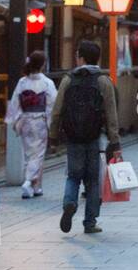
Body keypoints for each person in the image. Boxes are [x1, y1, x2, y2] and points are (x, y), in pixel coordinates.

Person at [50, 39, 120, 235]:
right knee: (93, 180)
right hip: (94, 137)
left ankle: (69, 203)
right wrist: (115, 141)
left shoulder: (68, 79)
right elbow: (111, 113)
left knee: (73, 176)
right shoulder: (103, 81)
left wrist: (53, 136)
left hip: (73, 137)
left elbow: (57, 110)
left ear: (80, 57)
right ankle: (90, 222)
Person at [5, 50, 57, 198]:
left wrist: (14, 120)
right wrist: (51, 122)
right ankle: (28, 181)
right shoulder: (47, 82)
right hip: (39, 120)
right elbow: (52, 104)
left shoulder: (23, 82)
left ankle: (36, 187)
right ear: (43, 64)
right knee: (38, 154)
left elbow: (15, 102)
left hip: (25, 120)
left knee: (29, 153)